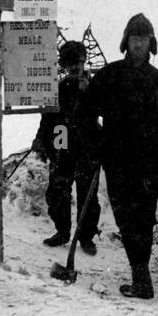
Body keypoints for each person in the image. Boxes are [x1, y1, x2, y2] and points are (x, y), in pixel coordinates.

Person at [77, 13, 158, 299]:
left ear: (151, 43)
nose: (139, 44)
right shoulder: (109, 76)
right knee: (125, 218)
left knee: (143, 220)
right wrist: (97, 144)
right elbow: (84, 115)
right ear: (126, 42)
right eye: (135, 39)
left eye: (144, 40)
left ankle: (141, 277)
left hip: (149, 163)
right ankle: (140, 275)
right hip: (117, 161)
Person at [32, 40, 101, 253]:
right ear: (64, 65)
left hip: (87, 149)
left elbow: (106, 112)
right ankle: (62, 232)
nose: (74, 68)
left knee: (88, 197)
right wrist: (40, 142)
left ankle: (86, 238)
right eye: (70, 64)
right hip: (62, 146)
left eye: (78, 63)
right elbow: (47, 118)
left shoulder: (95, 87)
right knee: (57, 192)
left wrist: (88, 92)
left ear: (84, 62)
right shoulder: (58, 88)